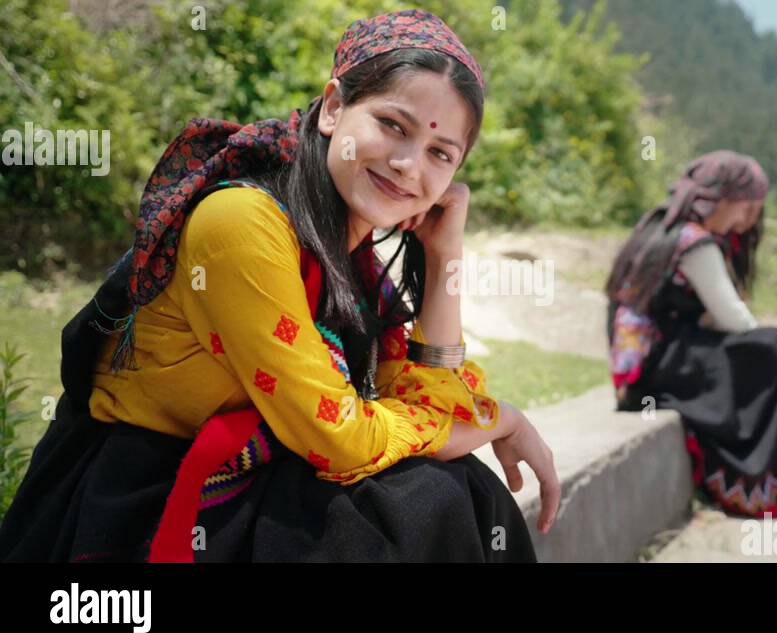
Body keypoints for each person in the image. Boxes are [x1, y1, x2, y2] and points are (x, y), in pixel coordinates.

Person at [0, 9, 560, 563]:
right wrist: (496, 419)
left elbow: (415, 396)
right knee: (429, 502)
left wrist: (443, 258)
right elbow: (339, 438)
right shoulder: (242, 224)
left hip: (260, 473)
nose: (408, 164)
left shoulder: (350, 250)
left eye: (441, 154)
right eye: (393, 125)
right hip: (154, 497)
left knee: (456, 489)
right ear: (335, 107)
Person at [604, 150, 777, 519]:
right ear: (720, 199)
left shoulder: (672, 230)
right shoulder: (694, 241)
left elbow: (713, 318)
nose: (748, 222)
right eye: (747, 209)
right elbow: (733, 319)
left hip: (668, 358)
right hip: (656, 368)